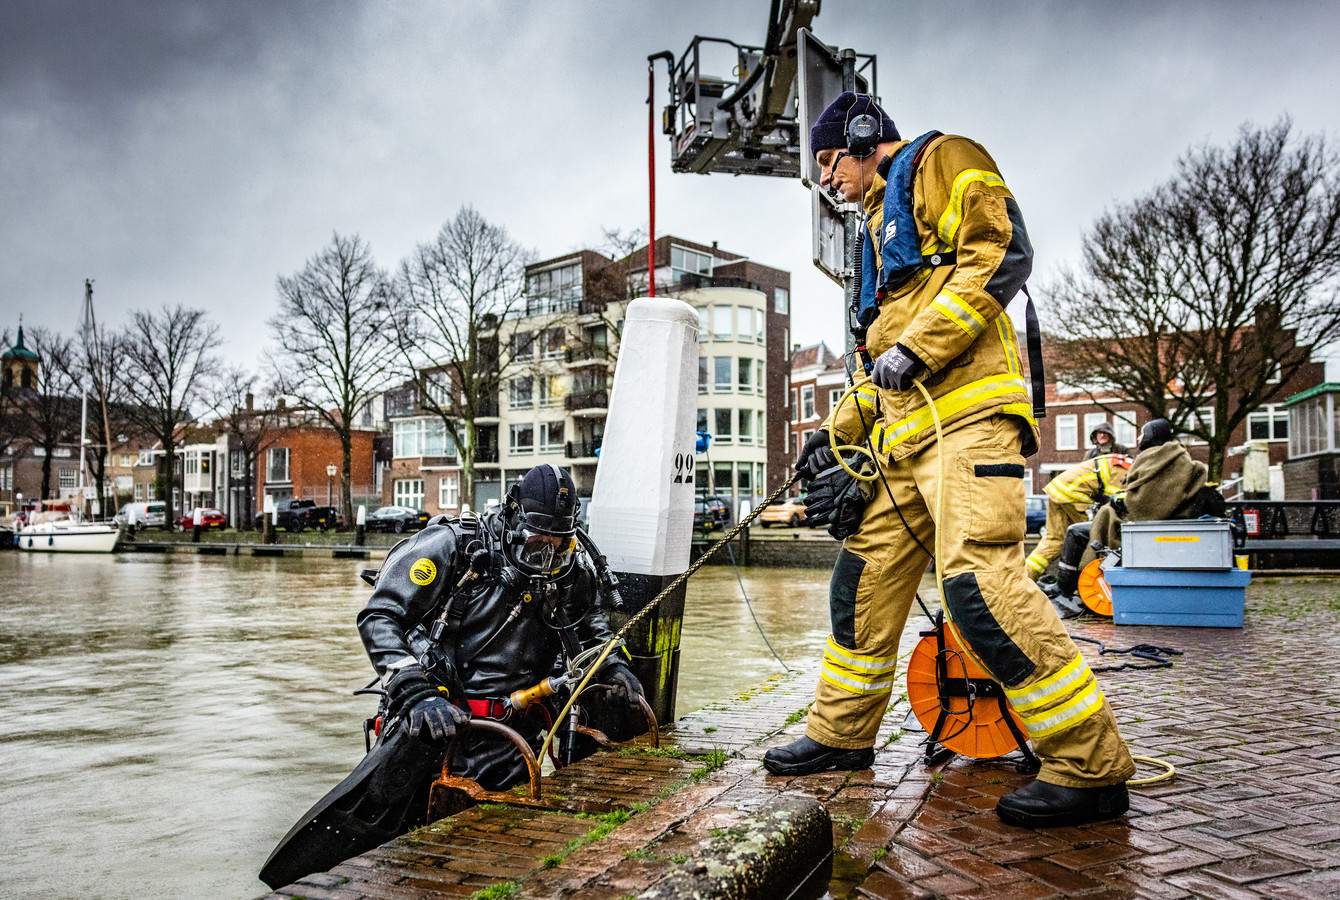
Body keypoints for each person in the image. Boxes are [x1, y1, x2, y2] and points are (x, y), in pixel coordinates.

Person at [764, 92, 1135, 829]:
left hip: (969, 422)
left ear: (864, 140)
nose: (828, 183)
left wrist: (917, 348)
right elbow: (883, 363)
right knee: (860, 582)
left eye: (831, 165)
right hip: (905, 444)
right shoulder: (873, 232)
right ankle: (841, 735)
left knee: (978, 585)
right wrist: (836, 427)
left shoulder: (943, 162)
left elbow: (1000, 253)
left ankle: (1089, 765)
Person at [261, 464, 645, 888]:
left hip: (516, 738)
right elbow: (380, 617)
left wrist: (615, 668)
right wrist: (415, 691)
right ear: (515, 520)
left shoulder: (570, 571)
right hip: (439, 730)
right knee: (410, 856)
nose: (548, 560)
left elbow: (592, 628)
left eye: (560, 546)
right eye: (538, 547)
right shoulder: (453, 547)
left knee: (503, 850)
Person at [1065, 419, 1220, 579]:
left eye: (1142, 434)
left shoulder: (1151, 460)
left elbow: (1143, 506)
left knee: (1077, 532)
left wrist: (1118, 503)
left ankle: (1072, 588)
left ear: (1151, 436)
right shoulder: (1180, 458)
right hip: (1164, 525)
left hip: (1142, 528)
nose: (1139, 439)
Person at [1025, 454, 1132, 582]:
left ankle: (1024, 580)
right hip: (1073, 494)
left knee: (1053, 540)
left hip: (1058, 489)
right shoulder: (1126, 472)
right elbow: (1110, 506)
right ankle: (1081, 583)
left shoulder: (1122, 462)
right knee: (1087, 539)